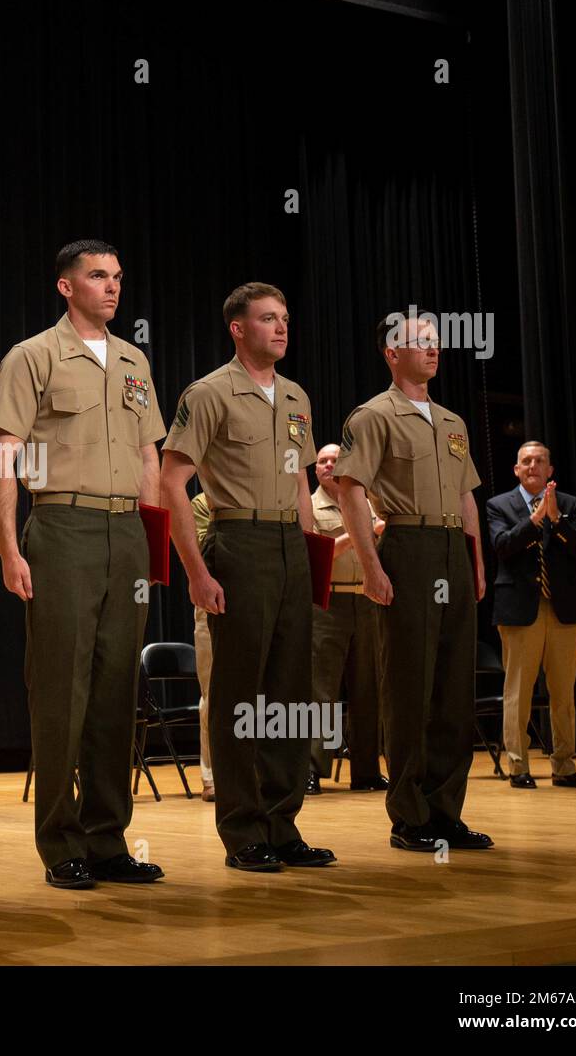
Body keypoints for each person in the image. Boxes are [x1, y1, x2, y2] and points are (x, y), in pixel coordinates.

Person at [0, 239, 166, 890]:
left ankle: (107, 839)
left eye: (117, 277)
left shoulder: (133, 360)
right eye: (97, 277)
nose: (112, 287)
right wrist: (9, 548)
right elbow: (2, 453)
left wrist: (150, 536)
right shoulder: (33, 357)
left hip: (126, 532)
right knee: (63, 689)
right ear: (66, 286)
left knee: (118, 690)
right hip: (62, 523)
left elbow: (151, 457)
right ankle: (60, 841)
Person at [161, 282, 335, 873]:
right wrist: (196, 570)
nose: (281, 328)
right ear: (238, 328)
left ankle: (283, 825)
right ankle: (243, 831)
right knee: (240, 696)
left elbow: (298, 487)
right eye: (267, 319)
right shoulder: (208, 393)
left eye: (284, 318)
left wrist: (315, 561)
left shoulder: (295, 397)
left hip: (290, 544)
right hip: (238, 542)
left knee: (291, 694)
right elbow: (171, 482)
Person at [334, 312, 492, 852]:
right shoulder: (373, 416)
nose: (432, 350)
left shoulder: (452, 422)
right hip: (406, 546)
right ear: (390, 353)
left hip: (451, 547)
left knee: (453, 689)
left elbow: (468, 496)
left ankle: (446, 811)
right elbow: (350, 490)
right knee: (408, 685)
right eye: (418, 342)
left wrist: (476, 561)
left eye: (435, 342)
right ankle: (409, 815)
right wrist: (373, 564)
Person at [487, 441, 576, 788]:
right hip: (519, 610)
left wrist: (556, 520)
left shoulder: (569, 505)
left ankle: (564, 766)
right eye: (526, 461)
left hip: (563, 609)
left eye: (540, 461)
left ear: (550, 471)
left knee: (564, 693)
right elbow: (502, 548)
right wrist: (534, 521)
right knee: (519, 691)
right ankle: (519, 767)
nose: (532, 465)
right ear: (516, 469)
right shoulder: (498, 505)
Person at [308, 443, 387, 794]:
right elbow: (317, 553)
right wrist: (361, 534)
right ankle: (312, 769)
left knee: (368, 689)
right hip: (328, 603)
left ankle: (366, 771)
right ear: (315, 470)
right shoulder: (308, 507)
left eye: (334, 460)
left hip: (366, 600)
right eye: (322, 461)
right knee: (320, 691)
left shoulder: (367, 503)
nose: (327, 465)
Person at [191, 492, 215, 802]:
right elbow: (204, 549)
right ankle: (211, 776)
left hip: (256, 600)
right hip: (210, 605)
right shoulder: (200, 503)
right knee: (213, 693)